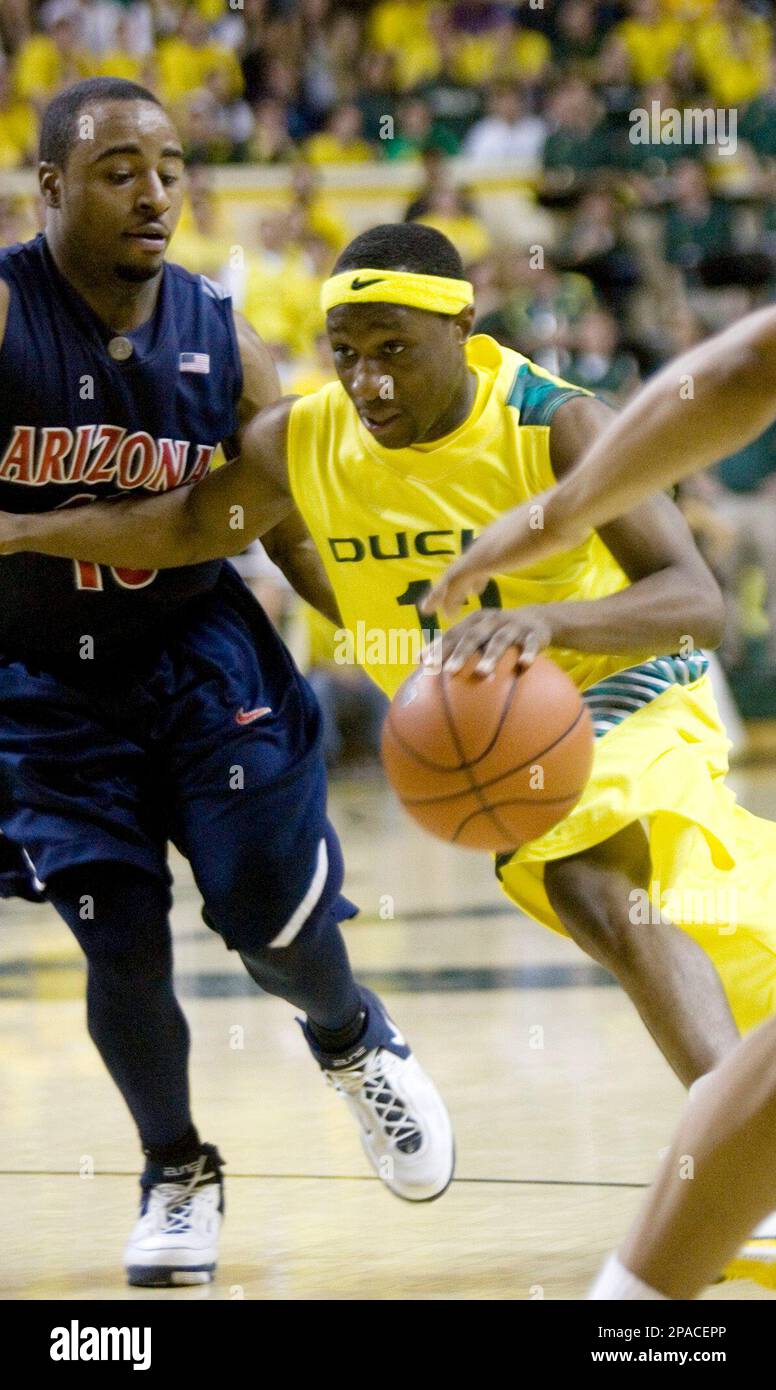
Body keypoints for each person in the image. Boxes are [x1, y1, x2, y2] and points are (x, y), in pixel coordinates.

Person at [5, 223, 776, 1274]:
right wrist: (24, 530)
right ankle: (741, 1123)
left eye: (392, 348)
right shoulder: (304, 439)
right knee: (625, 912)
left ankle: (736, 1169)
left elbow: (695, 604)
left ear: (462, 325)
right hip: (499, 732)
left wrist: (550, 627)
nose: (366, 378)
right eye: (344, 351)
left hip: (627, 686)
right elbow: (184, 525)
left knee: (599, 881)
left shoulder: (553, 423)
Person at [0, 81, 453, 1288]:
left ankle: (351, 1038)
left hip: (201, 661)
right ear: (47, 187)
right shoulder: (4, 312)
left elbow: (296, 517)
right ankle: (175, 1168)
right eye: (115, 168)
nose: (152, 189)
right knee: (117, 937)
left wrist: (383, 649)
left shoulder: (218, 331)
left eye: (169, 164)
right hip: (42, 684)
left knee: (270, 919)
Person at [426, 300, 776, 1299]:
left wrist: (555, 512)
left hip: (646, 685)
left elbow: (743, 367)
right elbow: (745, 366)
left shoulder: (546, 409)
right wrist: (554, 516)